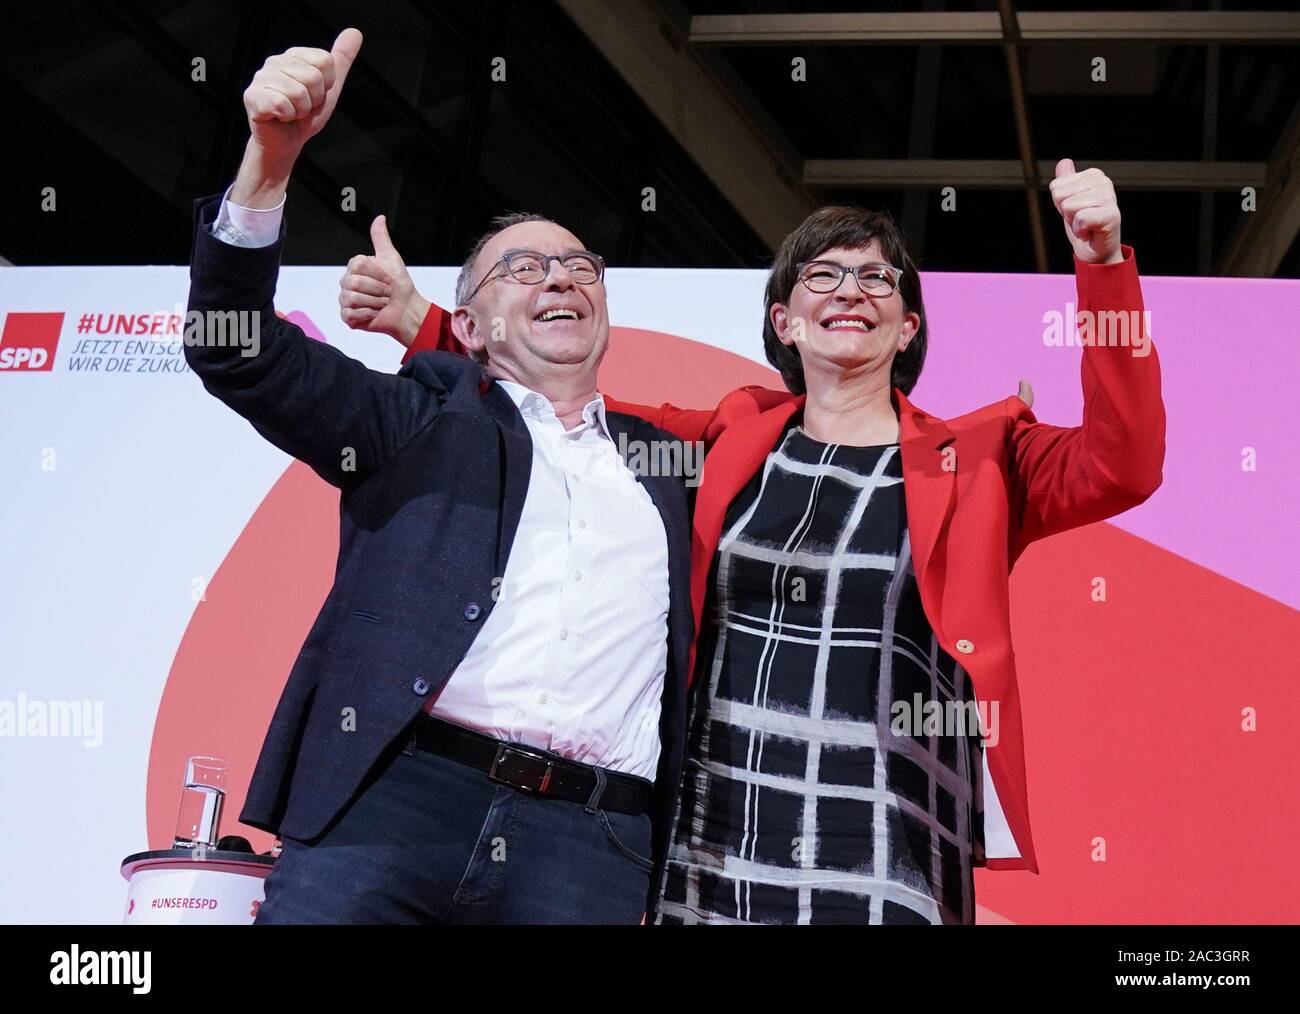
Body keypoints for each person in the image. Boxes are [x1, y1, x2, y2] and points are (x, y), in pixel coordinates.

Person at [345, 162, 1165, 924]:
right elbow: (568, 406)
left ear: (907, 327)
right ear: (785, 322)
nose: (852, 291)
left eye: (878, 277)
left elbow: (1124, 462)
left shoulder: (983, 458)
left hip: (889, 842)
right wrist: (423, 323)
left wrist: (1101, 264)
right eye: (823, 276)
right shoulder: (730, 439)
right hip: (714, 833)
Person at [184, 28, 697, 924]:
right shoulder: (419, 415)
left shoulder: (670, 469)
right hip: (395, 806)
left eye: (580, 266)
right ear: (467, 325)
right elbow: (237, 350)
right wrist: (270, 165)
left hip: (590, 849)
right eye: (524, 268)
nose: (560, 279)